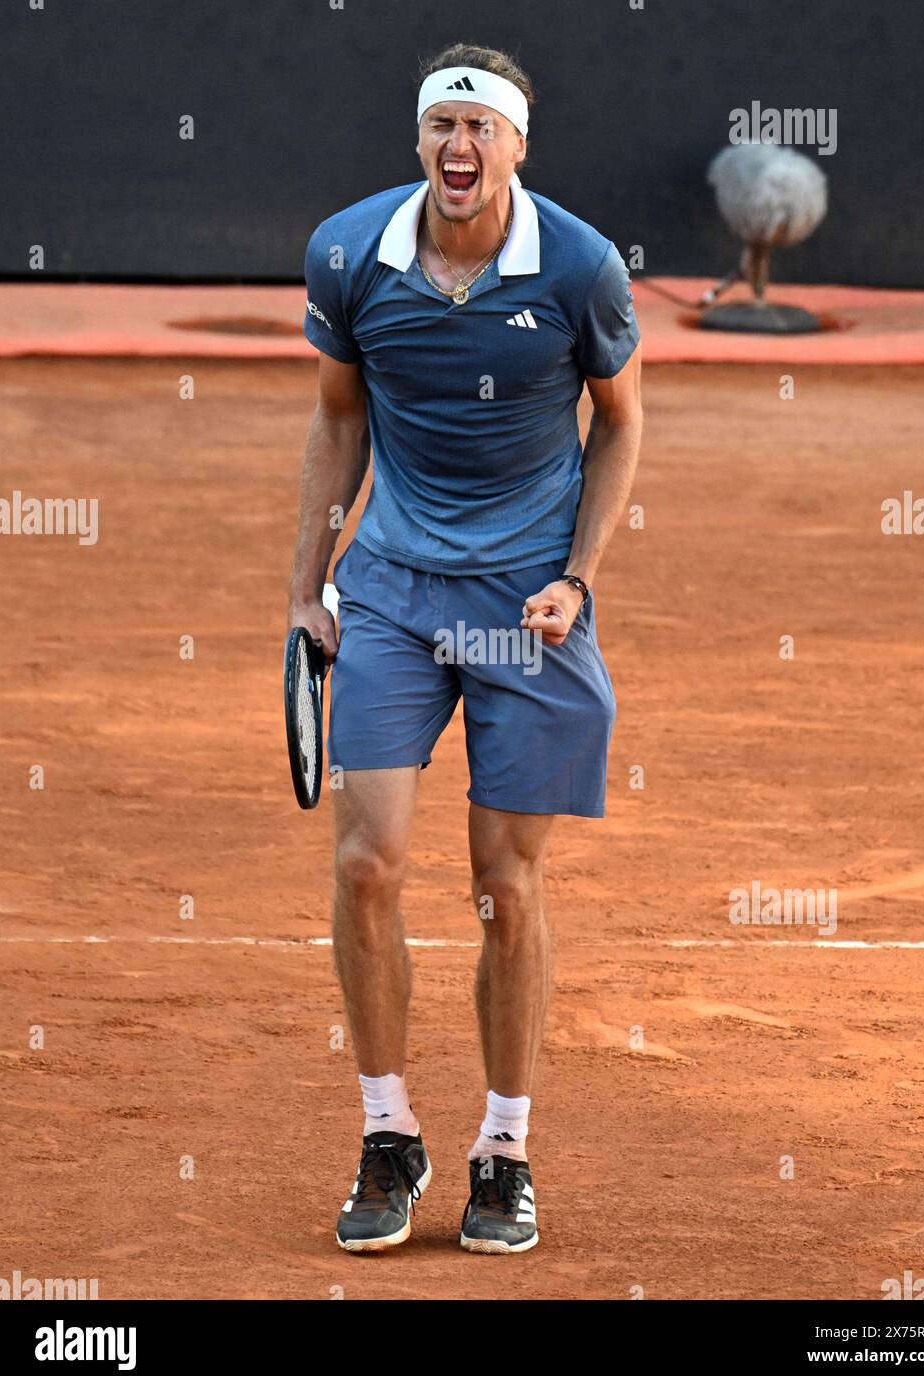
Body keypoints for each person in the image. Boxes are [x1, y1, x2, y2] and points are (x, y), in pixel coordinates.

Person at [288, 42, 642, 1255]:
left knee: (504, 882)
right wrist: (305, 587)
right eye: (441, 124)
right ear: (421, 139)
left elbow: (621, 424)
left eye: (480, 128)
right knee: (365, 864)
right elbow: (337, 423)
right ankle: (389, 1131)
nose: (458, 147)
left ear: (516, 147)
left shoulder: (580, 268)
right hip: (389, 594)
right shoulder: (349, 253)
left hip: (522, 608)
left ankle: (503, 1146)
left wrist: (574, 577)